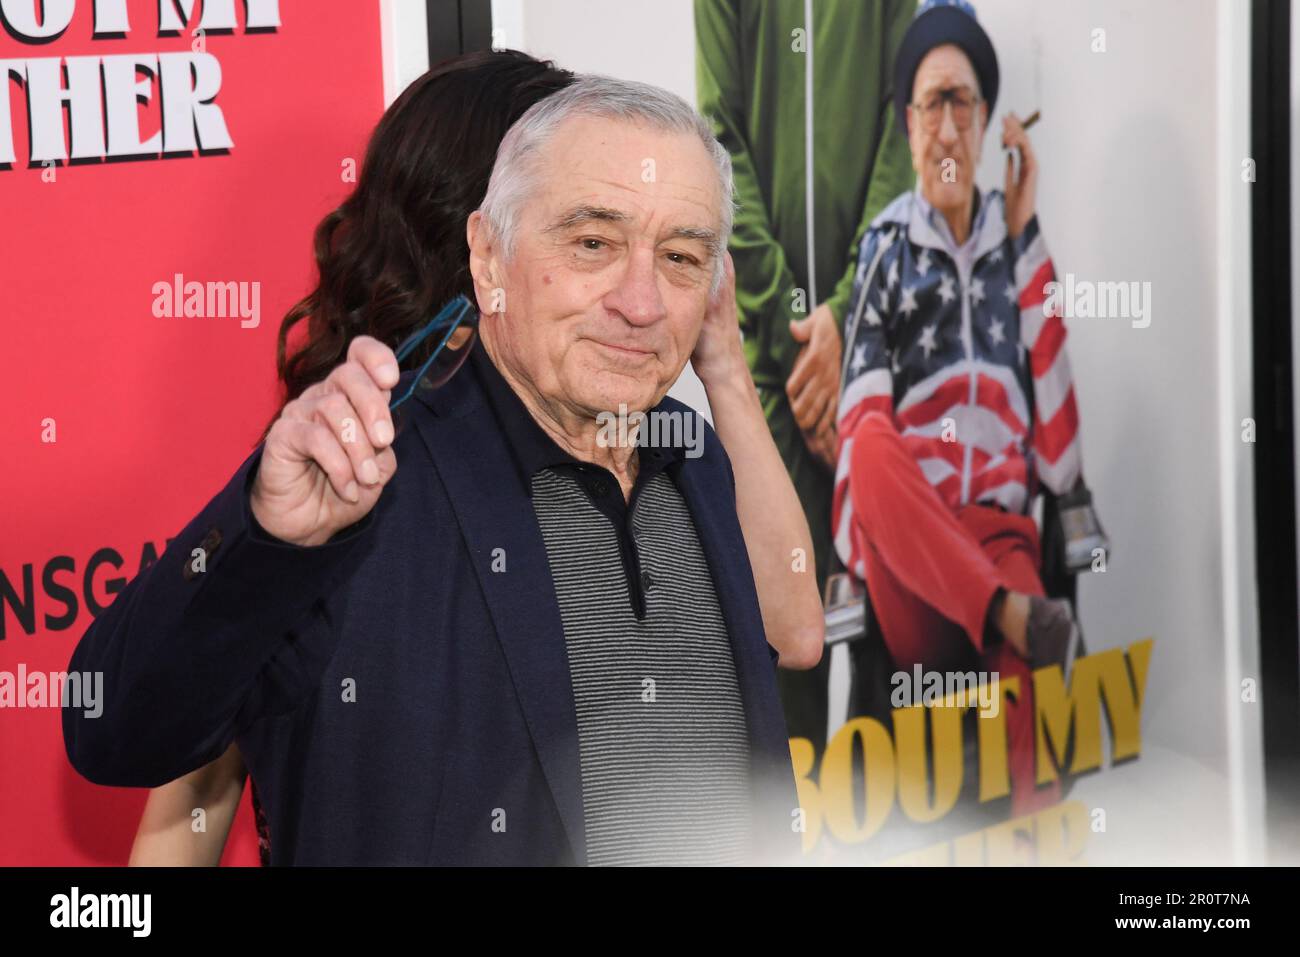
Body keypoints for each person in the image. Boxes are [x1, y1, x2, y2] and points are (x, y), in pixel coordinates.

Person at [68, 74, 819, 866]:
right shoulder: (361, 485)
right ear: (487, 260)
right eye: (593, 243)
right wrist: (263, 539)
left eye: (679, 257)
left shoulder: (693, 453)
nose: (641, 301)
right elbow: (118, 727)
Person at [833, 0, 1086, 816]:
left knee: (1034, 654)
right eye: (931, 103)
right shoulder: (883, 246)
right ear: (908, 125)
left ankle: (1029, 842)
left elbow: (1059, 459)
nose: (946, 126)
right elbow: (857, 426)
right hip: (916, 558)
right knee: (872, 439)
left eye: (962, 102)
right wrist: (861, 554)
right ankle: (1007, 612)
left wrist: (1028, 232)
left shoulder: (1019, 253)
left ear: (986, 125)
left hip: (1003, 538)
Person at [695, 0, 917, 752]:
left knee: (895, 654)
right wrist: (803, 351)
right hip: (779, 381)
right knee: (782, 670)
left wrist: (851, 317)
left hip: (882, 370)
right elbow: (717, 140)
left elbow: (903, 135)